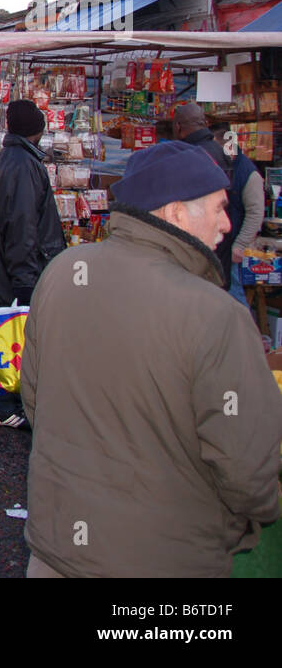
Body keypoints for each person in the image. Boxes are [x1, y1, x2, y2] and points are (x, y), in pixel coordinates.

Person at [21, 142, 282, 577]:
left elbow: (35, 397)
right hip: (161, 559)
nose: (227, 223)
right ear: (176, 212)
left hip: (56, 550)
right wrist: (249, 517)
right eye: (218, 207)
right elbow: (246, 467)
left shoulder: (64, 272)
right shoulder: (217, 315)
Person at [0, 100, 66, 428]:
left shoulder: (5, 159)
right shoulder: (25, 165)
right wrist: (26, 282)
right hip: (18, 274)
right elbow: (22, 226)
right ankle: (7, 406)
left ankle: (8, 402)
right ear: (38, 129)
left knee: (9, 338)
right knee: (19, 339)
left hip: (5, 270)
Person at [211, 123, 265, 309]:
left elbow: (256, 212)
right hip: (221, 245)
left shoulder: (248, 174)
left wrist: (240, 245)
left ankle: (247, 335)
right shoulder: (224, 168)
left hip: (233, 246)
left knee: (234, 296)